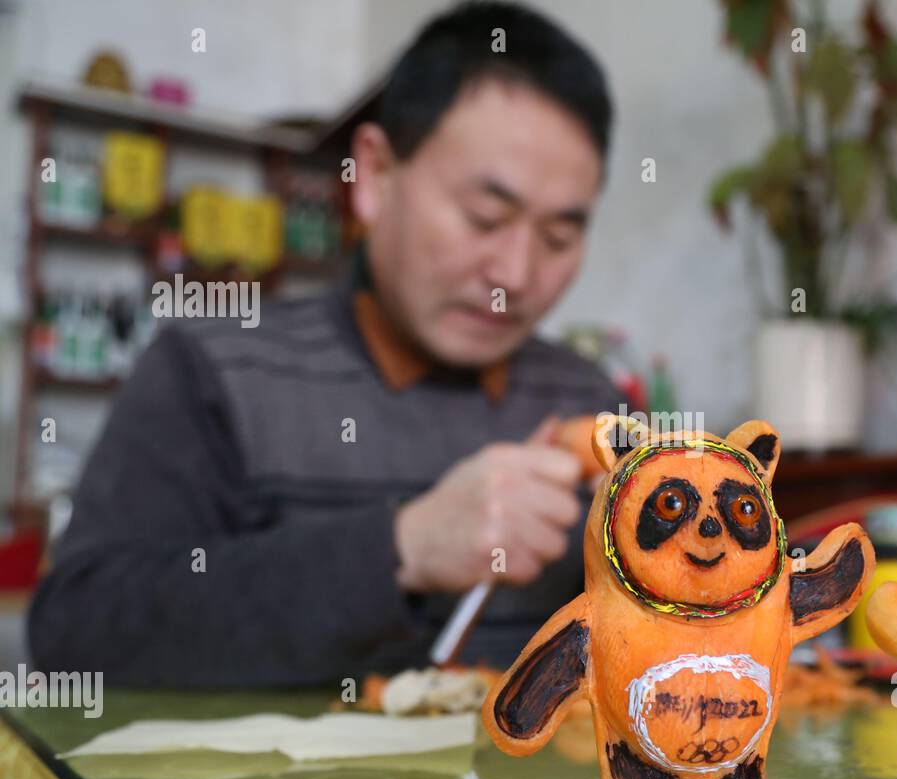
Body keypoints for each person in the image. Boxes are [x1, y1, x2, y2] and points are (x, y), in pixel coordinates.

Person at [27, 1, 624, 685]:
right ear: (372, 177)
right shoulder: (215, 372)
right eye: (484, 216)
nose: (515, 275)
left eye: (559, 236)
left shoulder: (589, 402)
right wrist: (401, 548)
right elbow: (78, 633)